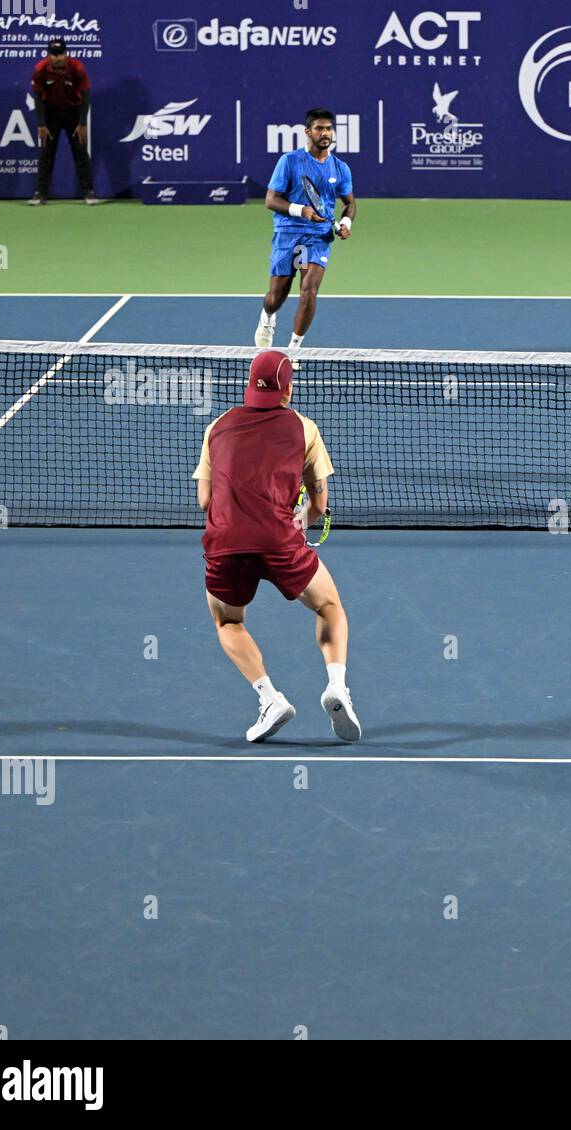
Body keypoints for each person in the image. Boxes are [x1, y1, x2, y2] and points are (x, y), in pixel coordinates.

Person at [193, 349, 361, 744]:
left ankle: (270, 699)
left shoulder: (217, 427)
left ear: (250, 385)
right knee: (329, 606)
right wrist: (296, 520)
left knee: (229, 622)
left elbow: (206, 501)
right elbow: (317, 505)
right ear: (288, 389)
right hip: (278, 540)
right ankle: (336, 685)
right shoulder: (304, 429)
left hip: (226, 541)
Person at [255, 109, 356, 354]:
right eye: (320, 128)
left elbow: (349, 203)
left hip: (318, 235)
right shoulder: (289, 161)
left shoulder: (340, 168)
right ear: (308, 132)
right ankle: (267, 317)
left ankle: (294, 350)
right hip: (288, 231)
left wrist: (346, 223)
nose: (325, 133)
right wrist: (302, 210)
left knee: (309, 289)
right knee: (276, 296)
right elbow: (271, 200)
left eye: (329, 129)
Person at [28, 38, 96, 206]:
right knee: (46, 155)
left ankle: (88, 192)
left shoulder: (77, 68)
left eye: (60, 54)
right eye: (54, 54)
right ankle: (40, 194)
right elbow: (38, 99)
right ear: (48, 54)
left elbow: (85, 97)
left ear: (66, 54)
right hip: (51, 115)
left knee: (80, 153)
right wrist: (42, 124)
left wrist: (82, 123)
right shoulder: (40, 69)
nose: (57, 58)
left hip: (73, 114)